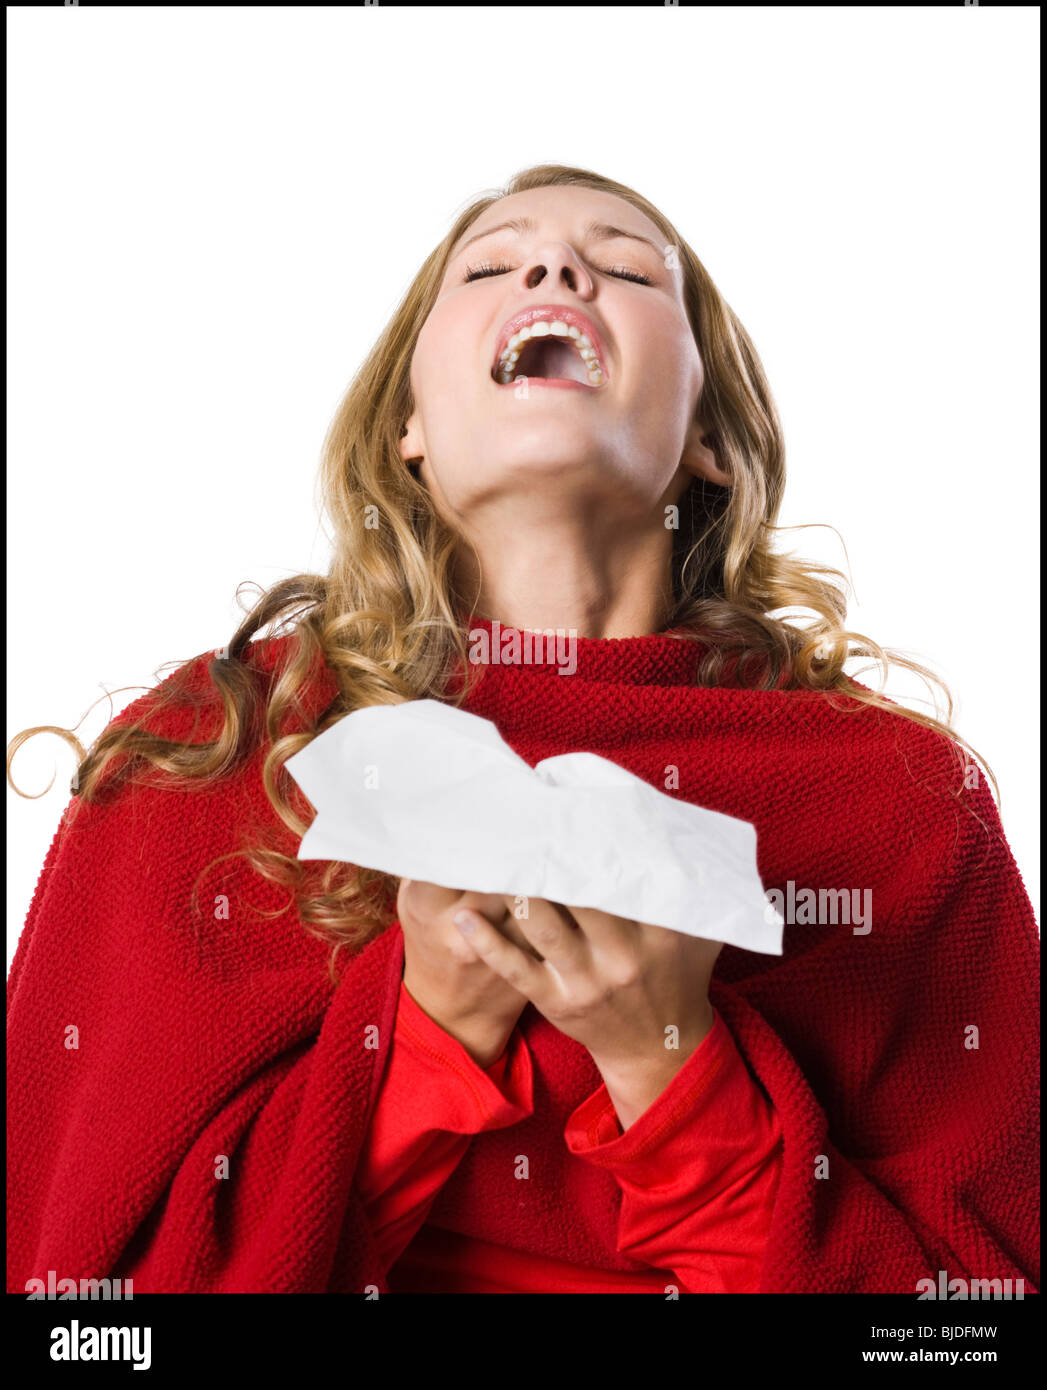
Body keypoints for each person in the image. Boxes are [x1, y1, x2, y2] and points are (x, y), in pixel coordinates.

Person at [7, 164, 1038, 1295]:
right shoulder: (214, 745)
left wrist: (671, 1064)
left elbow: (965, 1325)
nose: (555, 269)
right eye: (492, 263)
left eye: (633, 268)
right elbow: (87, 1311)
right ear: (409, 427)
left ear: (709, 440)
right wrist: (428, 1033)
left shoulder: (896, 796)